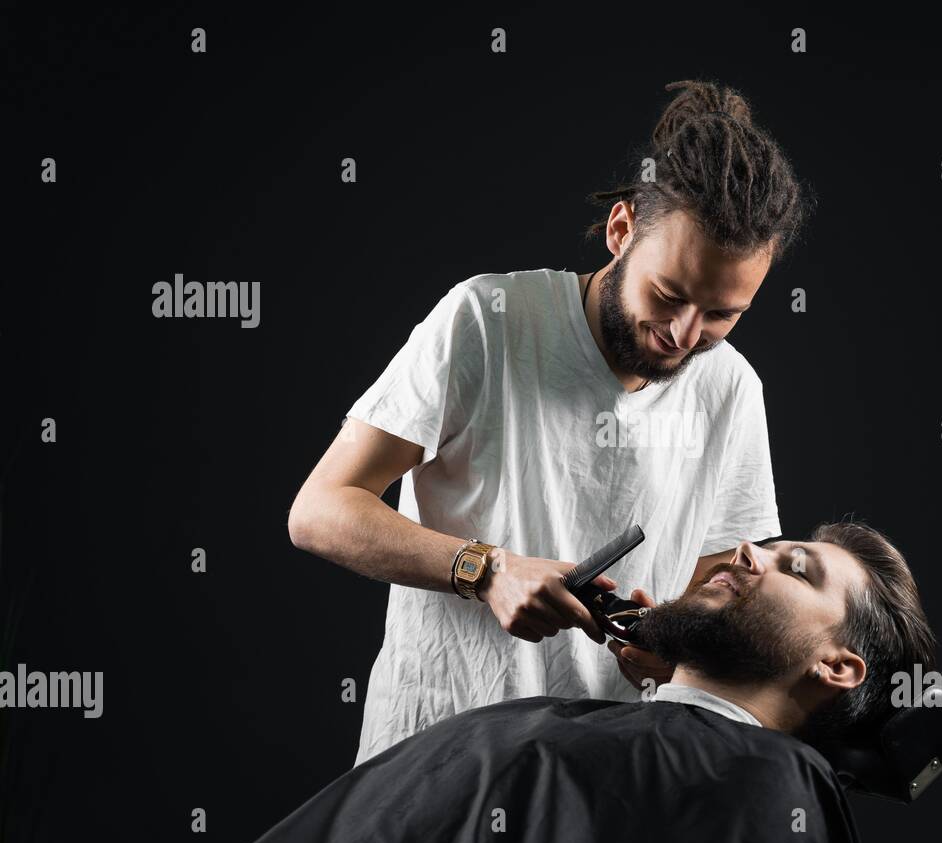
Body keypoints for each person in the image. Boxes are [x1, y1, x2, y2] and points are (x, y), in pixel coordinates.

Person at [285, 79, 817, 766]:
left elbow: (710, 587)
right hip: (434, 758)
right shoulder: (489, 320)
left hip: (601, 780)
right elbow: (320, 511)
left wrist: (673, 652)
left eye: (722, 314)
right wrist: (483, 569)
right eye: (669, 295)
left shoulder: (732, 389)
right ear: (622, 231)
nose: (685, 335)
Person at [228, 522, 939, 843]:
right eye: (770, 543)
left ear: (838, 667)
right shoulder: (609, 743)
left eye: (797, 568)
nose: (750, 551)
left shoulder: (764, 788)